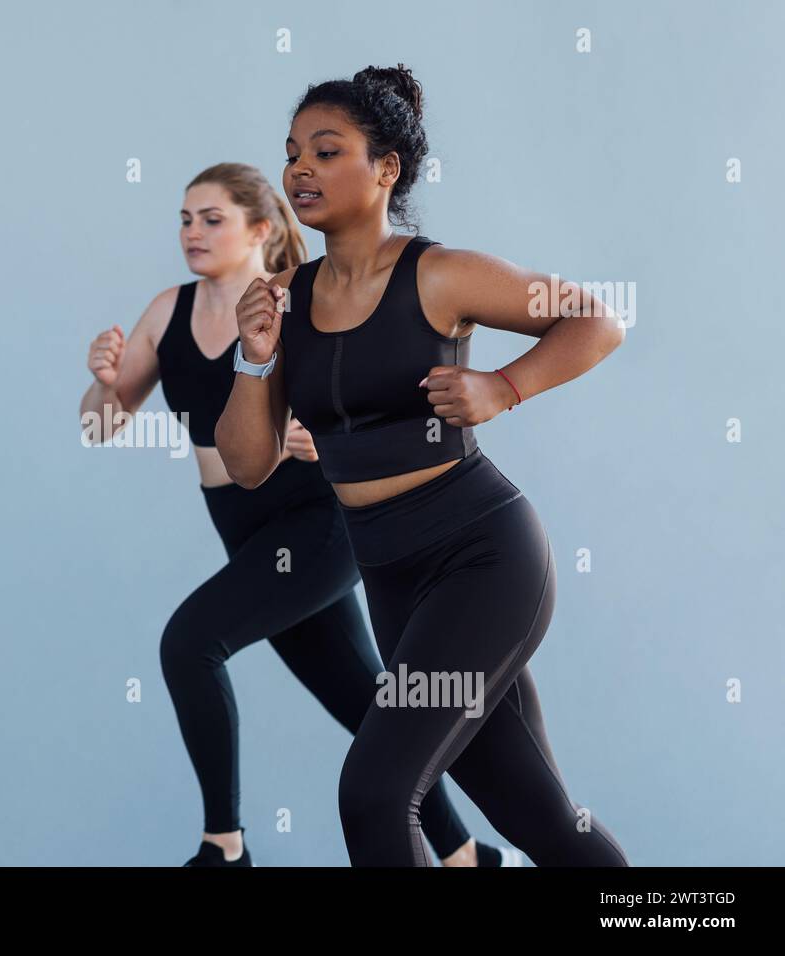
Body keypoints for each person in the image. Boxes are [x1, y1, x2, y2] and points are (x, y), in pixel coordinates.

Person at [215, 67, 630, 866]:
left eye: (325, 151)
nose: (299, 169)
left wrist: (503, 386)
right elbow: (249, 463)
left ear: (386, 169)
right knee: (542, 820)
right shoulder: (284, 300)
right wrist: (256, 357)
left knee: (374, 793)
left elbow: (598, 319)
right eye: (292, 153)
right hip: (393, 583)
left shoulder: (438, 274)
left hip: (483, 557)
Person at [80, 162, 520, 867]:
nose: (192, 232)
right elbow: (99, 428)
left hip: (316, 525)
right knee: (365, 706)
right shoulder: (168, 311)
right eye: (185, 219)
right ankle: (468, 857)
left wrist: (309, 433)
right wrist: (105, 387)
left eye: (211, 218)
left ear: (260, 228)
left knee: (189, 643)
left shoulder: (288, 303)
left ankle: (224, 846)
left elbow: (352, 395)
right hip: (245, 533)